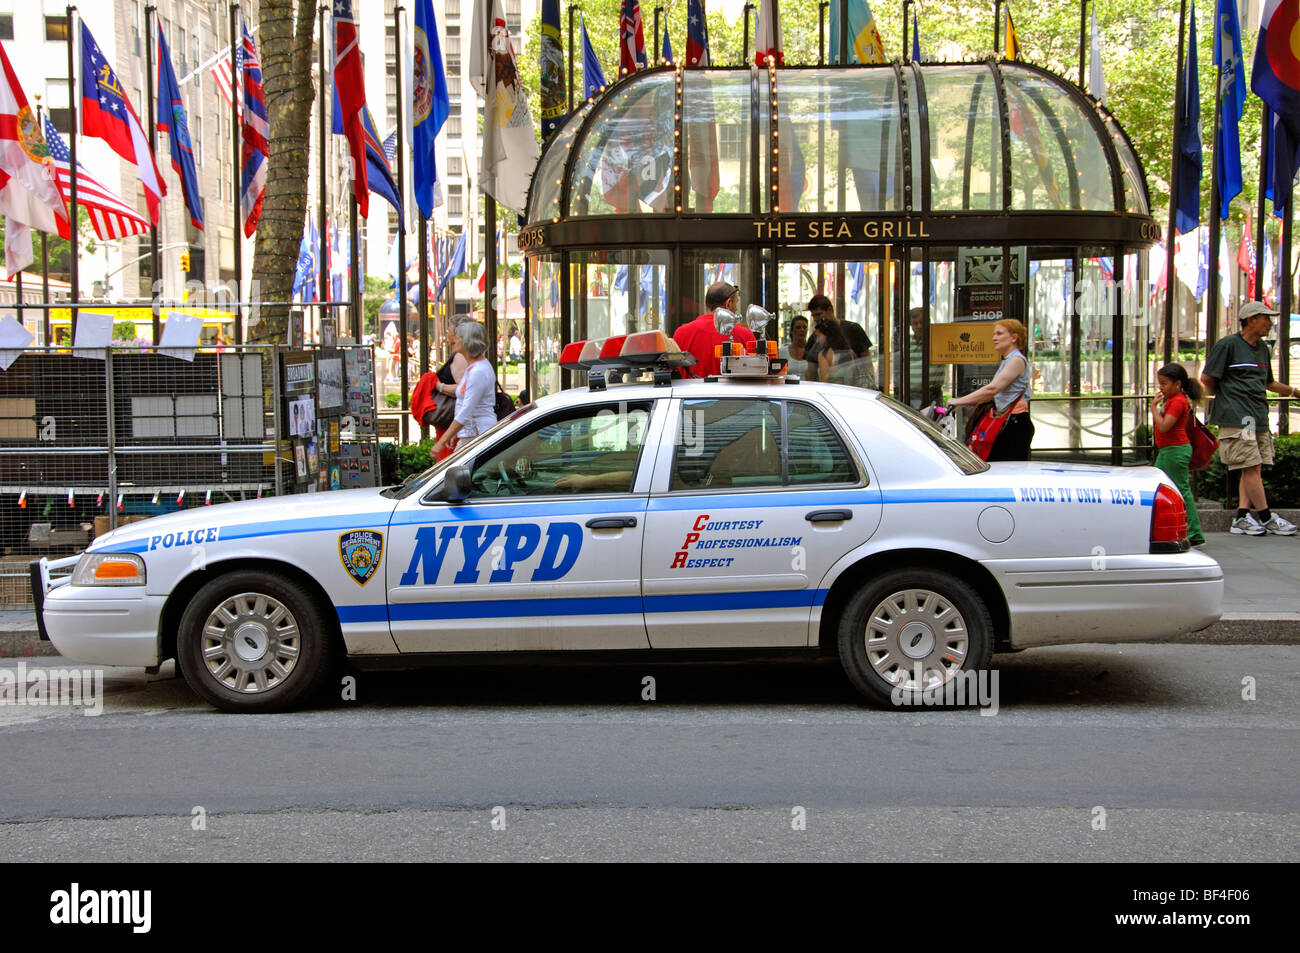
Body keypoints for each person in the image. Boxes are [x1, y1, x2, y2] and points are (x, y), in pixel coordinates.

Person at [1200, 300, 1297, 535]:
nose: (1270, 323)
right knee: (1251, 467)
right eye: (1266, 318)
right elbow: (1208, 379)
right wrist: (1225, 398)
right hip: (1236, 417)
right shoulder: (1228, 345)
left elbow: (1269, 382)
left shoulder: (1263, 348)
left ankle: (1242, 517)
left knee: (1253, 468)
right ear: (1251, 320)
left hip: (1258, 415)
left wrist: (1294, 392)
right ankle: (1266, 517)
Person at [948, 318, 1033, 461]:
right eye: (994, 334)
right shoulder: (1008, 360)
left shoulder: (1016, 360)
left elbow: (992, 389)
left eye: (999, 334)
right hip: (1009, 422)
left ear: (1014, 337)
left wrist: (958, 401)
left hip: (1014, 424)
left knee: (1004, 468)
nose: (994, 338)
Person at [1151, 363, 1206, 546]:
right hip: (1169, 450)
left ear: (1177, 384)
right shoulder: (1174, 400)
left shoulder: (1178, 401)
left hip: (1175, 450)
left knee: (1180, 490)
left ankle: (1194, 533)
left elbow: (1165, 426)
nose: (1161, 387)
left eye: (1164, 383)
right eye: (1160, 383)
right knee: (1163, 487)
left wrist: (1153, 408)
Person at [431, 322, 497, 458]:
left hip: (477, 433)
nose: (454, 339)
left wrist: (441, 442)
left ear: (467, 341)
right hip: (472, 433)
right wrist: (455, 432)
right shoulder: (475, 367)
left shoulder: (478, 371)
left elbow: (466, 410)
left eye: (458, 336)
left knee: (453, 471)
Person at [672, 281, 756, 378]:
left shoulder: (681, 333)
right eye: (736, 303)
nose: (736, 309)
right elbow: (758, 371)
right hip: (732, 393)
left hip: (690, 393)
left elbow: (673, 374)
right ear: (728, 303)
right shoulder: (744, 334)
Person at [412, 325, 471, 461]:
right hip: (454, 424)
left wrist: (439, 386)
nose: (447, 335)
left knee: (450, 464)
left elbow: (464, 393)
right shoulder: (466, 360)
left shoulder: (460, 358)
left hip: (455, 424)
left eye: (449, 331)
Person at [807, 295, 874, 388]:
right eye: (813, 315)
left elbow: (866, 361)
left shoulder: (853, 329)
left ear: (830, 310)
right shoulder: (815, 338)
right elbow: (811, 372)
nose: (815, 319)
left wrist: (871, 384)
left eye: (818, 314)